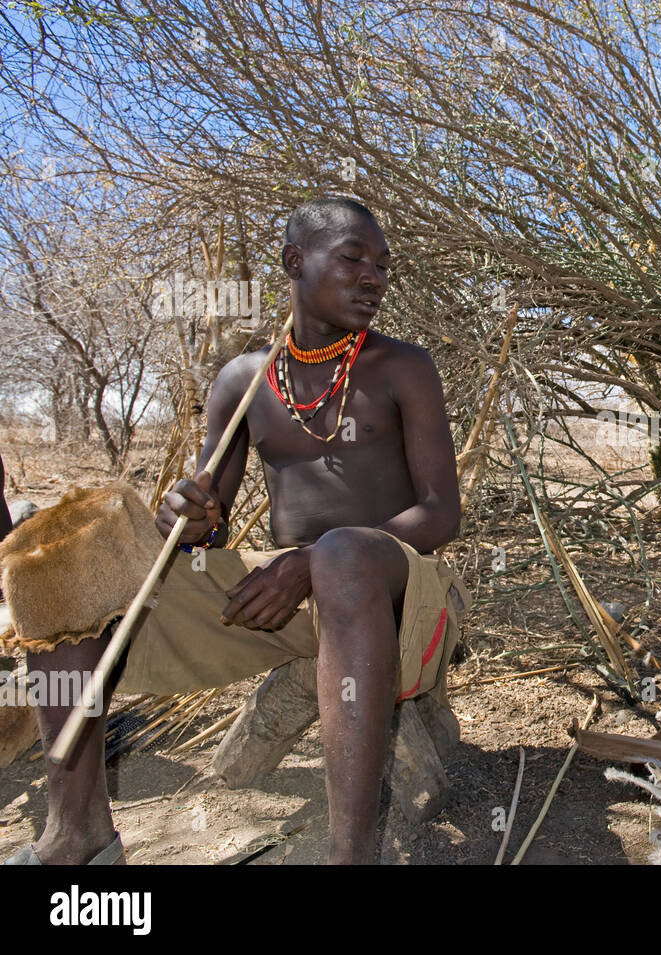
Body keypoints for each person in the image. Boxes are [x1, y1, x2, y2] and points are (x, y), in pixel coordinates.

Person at [7, 197, 463, 865]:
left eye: (384, 266)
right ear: (293, 262)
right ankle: (77, 833)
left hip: (398, 590)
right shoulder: (243, 381)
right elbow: (203, 532)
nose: (374, 277)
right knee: (60, 557)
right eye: (353, 258)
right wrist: (184, 517)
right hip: (280, 594)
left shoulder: (402, 367)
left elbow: (440, 512)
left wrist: (310, 560)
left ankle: (349, 857)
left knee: (341, 555)